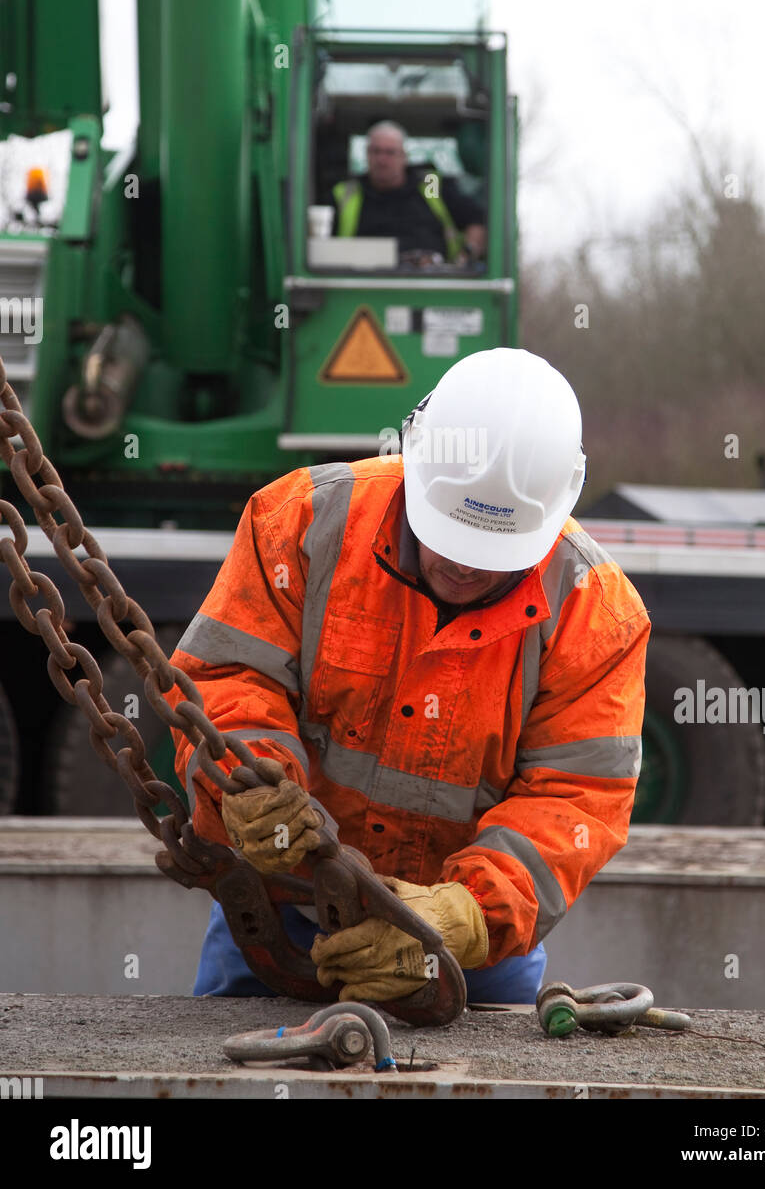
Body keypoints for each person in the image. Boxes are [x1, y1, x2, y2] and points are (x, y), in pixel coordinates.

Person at [169, 348, 650, 1003]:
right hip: (280, 911)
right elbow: (229, 677)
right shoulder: (305, 523)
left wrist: (466, 916)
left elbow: (574, 798)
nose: (461, 566)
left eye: (488, 553)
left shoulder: (598, 617)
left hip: (468, 952)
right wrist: (247, 782)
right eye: (446, 534)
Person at [330, 120, 487, 264]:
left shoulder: (430, 186)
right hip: (361, 284)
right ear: (367, 154)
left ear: (404, 156)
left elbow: (475, 220)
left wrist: (465, 257)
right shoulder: (347, 192)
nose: (382, 160)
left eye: (390, 152)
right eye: (376, 151)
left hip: (433, 282)